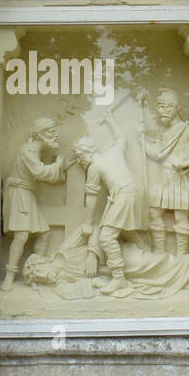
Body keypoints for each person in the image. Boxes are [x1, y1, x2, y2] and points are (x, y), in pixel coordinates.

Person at [72, 111, 143, 299]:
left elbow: (92, 196)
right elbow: (122, 138)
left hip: (123, 196)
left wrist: (87, 223)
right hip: (131, 193)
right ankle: (145, 253)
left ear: (87, 152)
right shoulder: (112, 152)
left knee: (107, 237)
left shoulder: (94, 166)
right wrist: (110, 119)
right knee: (124, 232)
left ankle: (119, 278)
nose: (80, 161)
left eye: (80, 156)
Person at [1, 117, 67, 290]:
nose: (55, 134)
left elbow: (49, 175)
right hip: (19, 194)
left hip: (27, 194)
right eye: (51, 131)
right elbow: (40, 172)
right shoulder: (28, 151)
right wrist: (57, 165)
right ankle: (9, 275)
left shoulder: (36, 150)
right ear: (40, 134)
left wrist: (57, 165)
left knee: (44, 234)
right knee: (21, 235)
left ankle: (35, 271)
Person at [145, 89, 189, 255]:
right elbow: (157, 154)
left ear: (175, 107)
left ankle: (181, 257)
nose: (161, 111)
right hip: (165, 179)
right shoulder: (163, 132)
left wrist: (183, 164)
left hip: (182, 179)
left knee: (181, 218)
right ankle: (159, 252)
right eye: (159, 107)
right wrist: (141, 140)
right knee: (154, 213)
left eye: (165, 107)